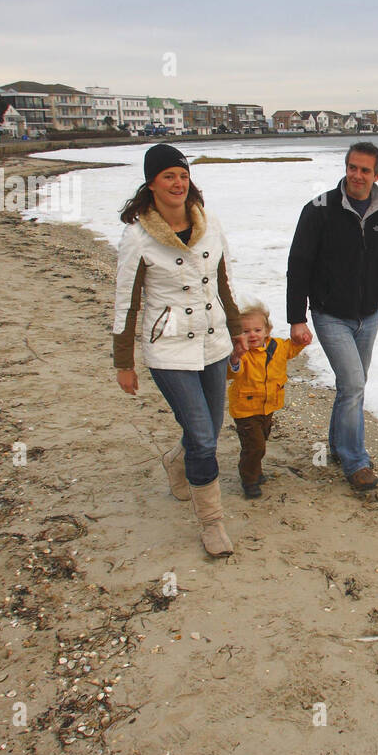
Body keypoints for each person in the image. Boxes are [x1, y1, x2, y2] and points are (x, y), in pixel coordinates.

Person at [113, 143, 249, 557]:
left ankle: (177, 460)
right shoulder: (138, 237)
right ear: (152, 183)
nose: (178, 182)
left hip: (213, 343)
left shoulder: (210, 224)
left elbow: (223, 285)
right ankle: (211, 524)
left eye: (183, 175)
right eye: (169, 175)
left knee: (206, 429)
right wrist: (124, 362)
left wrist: (238, 332)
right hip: (168, 349)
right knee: (205, 440)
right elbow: (127, 302)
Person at [286, 142, 378, 491]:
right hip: (329, 313)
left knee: (353, 385)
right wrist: (297, 317)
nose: (357, 175)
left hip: (369, 314)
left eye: (365, 170)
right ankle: (356, 462)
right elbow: (299, 263)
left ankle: (338, 447)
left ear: (377, 174)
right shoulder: (319, 209)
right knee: (353, 384)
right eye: (352, 167)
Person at [226, 300, 307, 498]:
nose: (252, 335)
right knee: (254, 446)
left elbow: (291, 349)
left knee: (261, 440)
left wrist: (302, 339)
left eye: (257, 329)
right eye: (245, 331)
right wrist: (235, 358)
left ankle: (255, 471)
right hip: (245, 409)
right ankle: (249, 480)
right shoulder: (242, 353)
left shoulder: (277, 346)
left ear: (267, 330)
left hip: (268, 406)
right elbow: (231, 373)